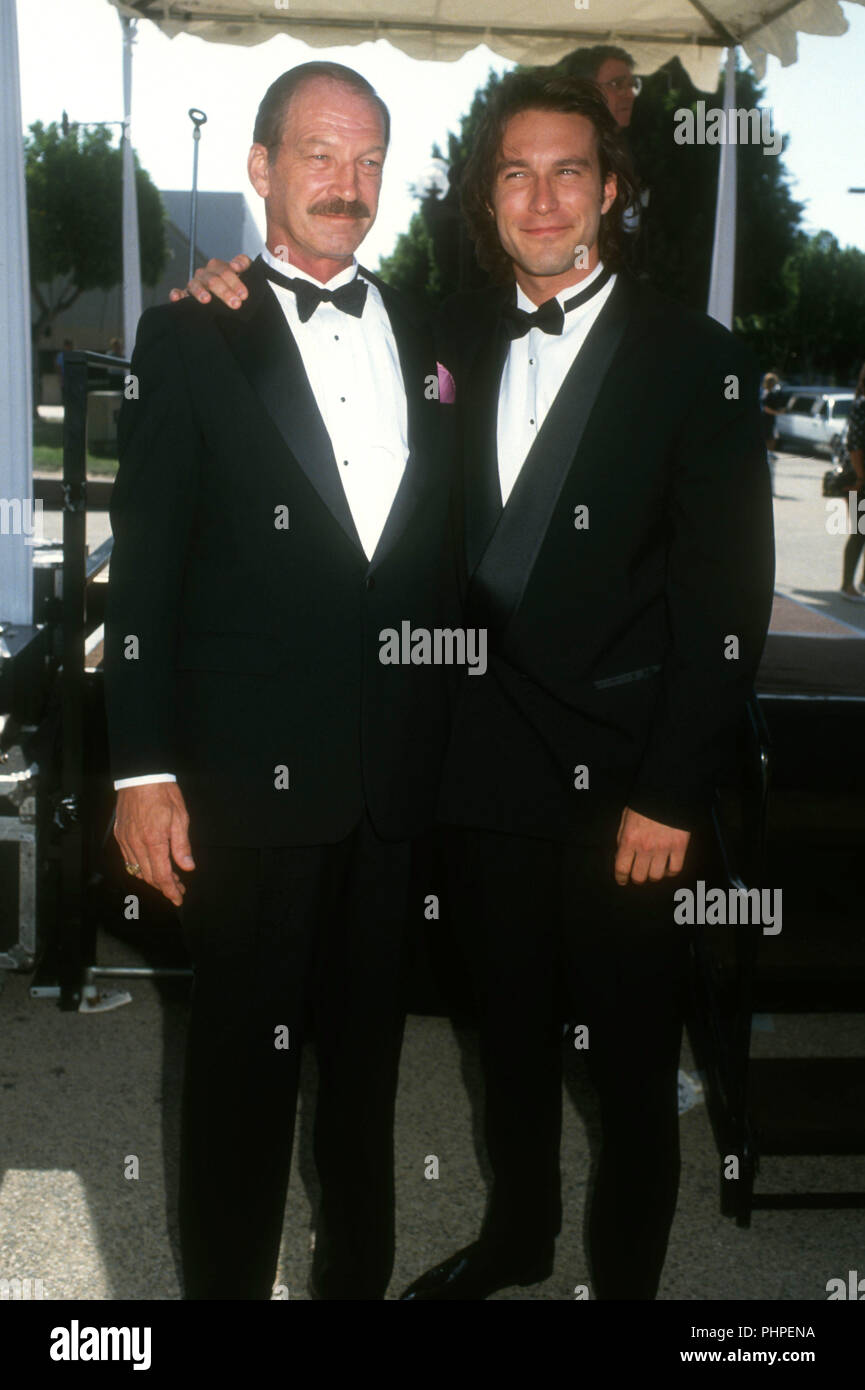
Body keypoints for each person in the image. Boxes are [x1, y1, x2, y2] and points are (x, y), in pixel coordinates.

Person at [178, 70, 775, 1301]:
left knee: (627, 1068)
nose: (543, 200)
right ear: (485, 197)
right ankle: (517, 1235)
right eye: (515, 174)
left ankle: (626, 1288)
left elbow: (728, 602)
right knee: (505, 1041)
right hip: (475, 773)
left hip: (627, 788)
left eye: (569, 173)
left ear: (611, 192)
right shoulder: (435, 337)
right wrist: (219, 287)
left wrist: (672, 789)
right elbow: (305, 332)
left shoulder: (697, 360)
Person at [104, 60, 458, 1301]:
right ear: (260, 168)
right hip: (244, 786)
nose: (346, 184)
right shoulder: (186, 333)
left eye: (369, 161)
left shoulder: (437, 332)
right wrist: (140, 771)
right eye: (318, 153)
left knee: (366, 1093)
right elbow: (145, 573)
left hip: (391, 792)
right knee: (239, 1094)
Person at [840, 362, 865, 601]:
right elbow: (855, 446)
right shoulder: (861, 404)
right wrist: (860, 478)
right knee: (859, 531)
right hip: (860, 478)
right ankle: (847, 585)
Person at [760, 370, 784, 494]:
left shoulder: (769, 393)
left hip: (770, 423)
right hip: (767, 424)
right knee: (769, 446)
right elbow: (766, 408)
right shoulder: (767, 394)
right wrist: (777, 412)